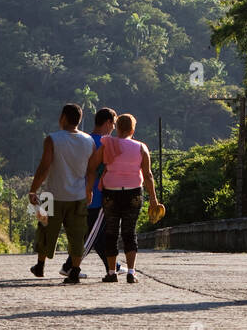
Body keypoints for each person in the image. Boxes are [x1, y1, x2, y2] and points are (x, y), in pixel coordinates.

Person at [88, 112, 159, 283]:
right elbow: (148, 175)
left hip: (110, 192)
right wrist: (153, 199)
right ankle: (131, 272)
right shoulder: (141, 147)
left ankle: (112, 273)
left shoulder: (107, 144)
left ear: (117, 127)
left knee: (111, 232)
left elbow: (92, 166)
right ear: (133, 129)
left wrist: (89, 188)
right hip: (133, 192)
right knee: (129, 231)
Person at [28, 103, 94, 284]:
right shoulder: (89, 141)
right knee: (77, 234)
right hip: (78, 196)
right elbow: (91, 171)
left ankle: (40, 265)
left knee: (44, 229)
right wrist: (88, 191)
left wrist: (33, 190)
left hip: (51, 194)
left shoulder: (52, 139)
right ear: (79, 120)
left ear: (63, 118)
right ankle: (75, 270)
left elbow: (44, 168)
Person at [62, 107, 118, 278]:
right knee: (92, 233)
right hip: (98, 194)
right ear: (108, 122)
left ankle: (114, 265)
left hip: (79, 191)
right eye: (113, 124)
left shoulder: (84, 140)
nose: (114, 128)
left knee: (98, 233)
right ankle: (70, 266)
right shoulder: (106, 143)